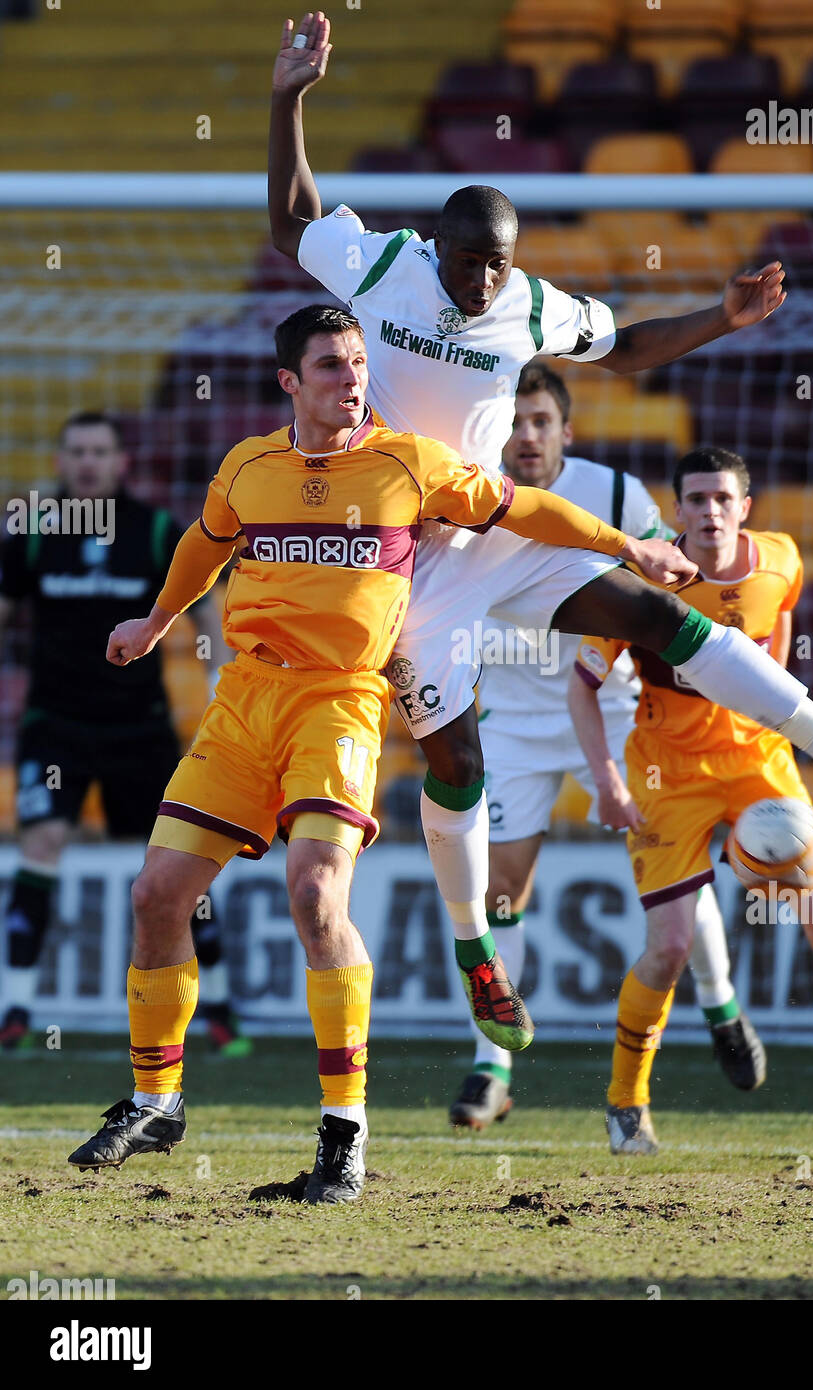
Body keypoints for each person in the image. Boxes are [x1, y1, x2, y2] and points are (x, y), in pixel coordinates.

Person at [268, 14, 813, 1007]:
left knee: (655, 617)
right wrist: (288, 98)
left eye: (496, 265)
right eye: (468, 263)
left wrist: (721, 317)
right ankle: (475, 950)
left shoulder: (531, 305)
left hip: (496, 521)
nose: (482, 282)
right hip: (408, 559)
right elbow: (289, 224)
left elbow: (625, 346)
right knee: (454, 759)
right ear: (438, 245)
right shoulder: (382, 266)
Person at [64, 305, 697, 1203]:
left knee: (315, 893)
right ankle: (154, 1099)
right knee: (156, 894)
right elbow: (205, 546)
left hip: (341, 698)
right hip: (244, 697)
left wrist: (626, 545)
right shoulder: (248, 466)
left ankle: (343, 1135)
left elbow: (529, 510)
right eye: (328, 365)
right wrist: (157, 620)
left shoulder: (406, 460)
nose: (350, 378)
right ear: (290, 381)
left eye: (357, 362)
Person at [568, 447, 813, 1154]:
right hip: (664, 771)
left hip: (757, 762)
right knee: (670, 946)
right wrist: (607, 783)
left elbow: (778, 639)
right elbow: (580, 686)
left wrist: (779, 721)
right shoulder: (640, 584)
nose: (709, 512)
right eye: (695, 500)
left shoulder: (780, 560)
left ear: (745, 507)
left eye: (721, 499)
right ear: (675, 512)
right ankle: (625, 1105)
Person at [451, 365, 765, 1130]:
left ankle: (720, 1006)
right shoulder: (465, 495)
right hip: (515, 721)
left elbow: (668, 592)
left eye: (539, 422)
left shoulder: (618, 496)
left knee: (677, 866)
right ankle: (493, 1067)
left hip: (617, 708)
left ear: (566, 431)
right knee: (498, 893)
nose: (525, 437)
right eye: (514, 423)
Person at [0, 412, 248, 1055]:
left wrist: (223, 675)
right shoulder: (32, 532)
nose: (87, 462)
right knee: (42, 843)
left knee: (175, 869)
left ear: (121, 463)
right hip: (54, 728)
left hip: (140, 732)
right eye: (76, 450)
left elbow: (207, 608)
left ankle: (219, 1009)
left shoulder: (158, 530)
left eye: (99, 451)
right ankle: (16, 1009)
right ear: (60, 461)